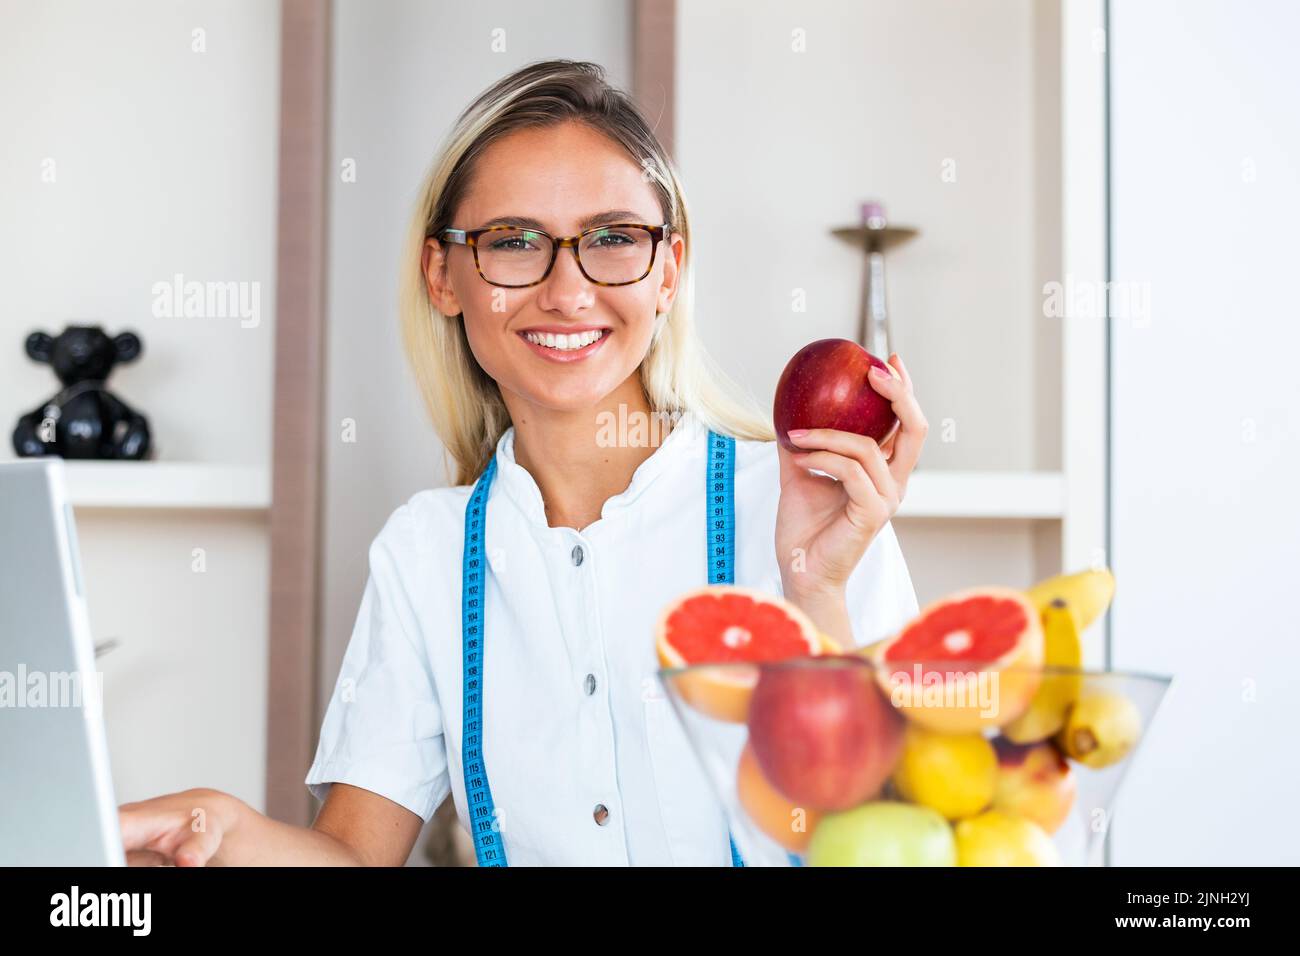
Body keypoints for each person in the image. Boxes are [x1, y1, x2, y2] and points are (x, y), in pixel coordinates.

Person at [118, 59, 928, 866]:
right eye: (514, 243)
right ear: (443, 275)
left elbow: (904, 843)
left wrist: (816, 592)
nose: (569, 292)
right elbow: (355, 861)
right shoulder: (427, 551)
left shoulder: (804, 512)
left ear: (668, 271)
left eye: (614, 239)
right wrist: (223, 824)